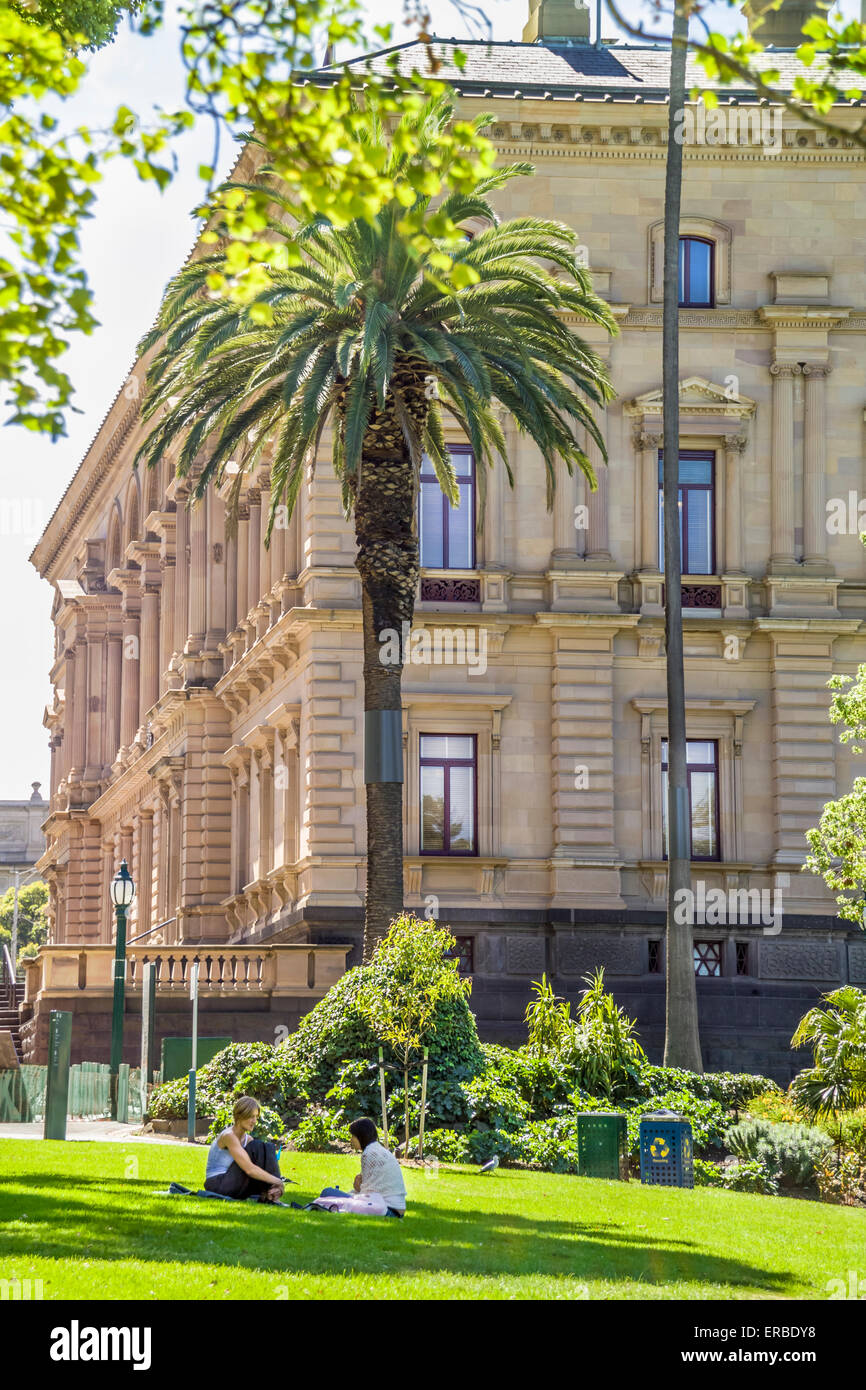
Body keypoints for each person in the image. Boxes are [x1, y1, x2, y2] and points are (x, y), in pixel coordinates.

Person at [313, 1118, 407, 1217]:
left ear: (361, 1136)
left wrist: (357, 1188)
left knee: (327, 1192)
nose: (351, 1140)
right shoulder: (378, 1149)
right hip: (395, 1208)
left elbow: (369, 1194)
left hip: (385, 1209)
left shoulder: (370, 1153)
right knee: (332, 1194)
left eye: (353, 1136)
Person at [204, 1096, 285, 1203]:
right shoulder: (229, 1136)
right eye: (251, 1116)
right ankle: (273, 1195)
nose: (255, 1121)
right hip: (218, 1184)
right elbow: (250, 1170)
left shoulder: (248, 1139)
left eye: (256, 1117)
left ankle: (271, 1195)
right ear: (240, 1116)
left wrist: (274, 1183)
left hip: (233, 1183)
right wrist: (278, 1181)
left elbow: (257, 1166)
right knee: (257, 1146)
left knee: (268, 1147)